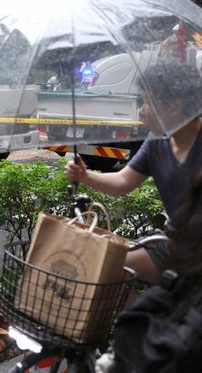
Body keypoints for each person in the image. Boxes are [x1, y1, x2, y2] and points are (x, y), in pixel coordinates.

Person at [65, 60, 202, 284]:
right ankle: (130, 321)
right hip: (173, 245)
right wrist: (85, 175)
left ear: (175, 106)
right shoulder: (157, 141)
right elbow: (123, 181)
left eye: (147, 101)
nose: (141, 111)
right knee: (111, 266)